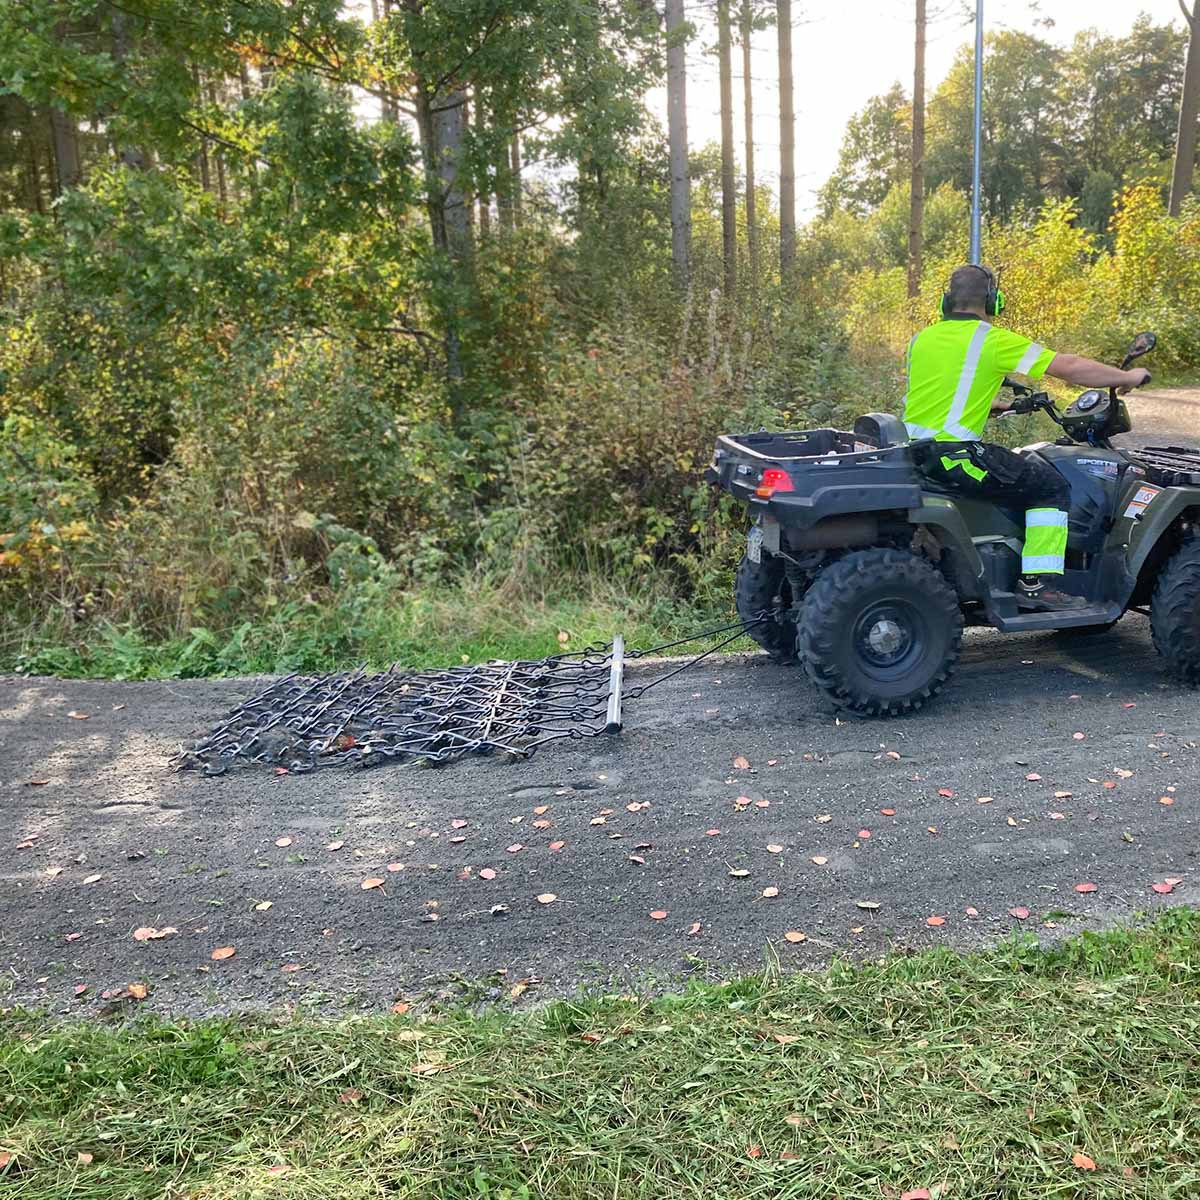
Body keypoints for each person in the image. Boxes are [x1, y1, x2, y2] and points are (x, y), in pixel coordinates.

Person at [902, 264, 1151, 611]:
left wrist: (996, 406)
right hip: (954, 456)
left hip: (914, 452)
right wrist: (1127, 375)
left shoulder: (922, 339)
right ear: (993, 300)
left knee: (1015, 470)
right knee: (1050, 485)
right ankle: (1038, 584)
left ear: (947, 301)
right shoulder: (989, 339)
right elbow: (1070, 366)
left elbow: (941, 393)